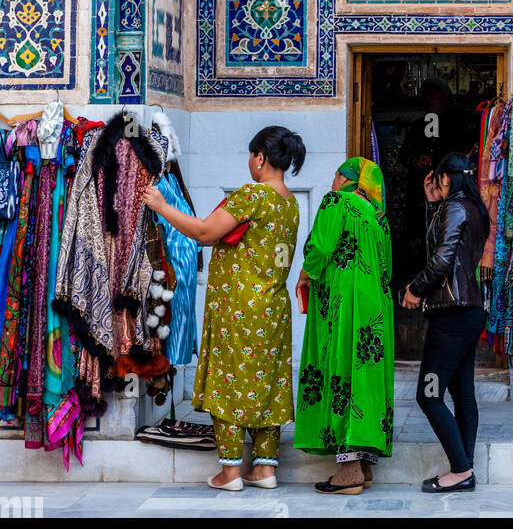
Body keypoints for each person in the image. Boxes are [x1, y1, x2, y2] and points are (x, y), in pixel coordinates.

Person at [143, 124, 305, 491]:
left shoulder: (253, 195)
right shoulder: (289, 203)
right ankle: (265, 467)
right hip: (273, 307)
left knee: (230, 382)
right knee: (267, 382)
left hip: (239, 308)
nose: (250, 163)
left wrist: (162, 206)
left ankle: (230, 471)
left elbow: (203, 232)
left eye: (251, 155)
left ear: (260, 158)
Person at [294, 158, 394, 494]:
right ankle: (364, 465)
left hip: (343, 300)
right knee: (365, 376)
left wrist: (305, 275)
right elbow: (386, 269)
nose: (332, 179)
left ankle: (349, 470)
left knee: (342, 369)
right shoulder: (377, 216)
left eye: (336, 173)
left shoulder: (337, 201)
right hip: (374, 306)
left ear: (347, 179)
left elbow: (320, 248)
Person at [402, 150, 489, 493]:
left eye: (438, 178)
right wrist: (432, 203)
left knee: (429, 394)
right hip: (468, 311)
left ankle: (460, 469)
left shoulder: (454, 208)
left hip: (451, 315)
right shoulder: (471, 208)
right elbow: (446, 247)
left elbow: (440, 260)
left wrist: (415, 289)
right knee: (462, 393)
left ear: (447, 178)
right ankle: (464, 467)